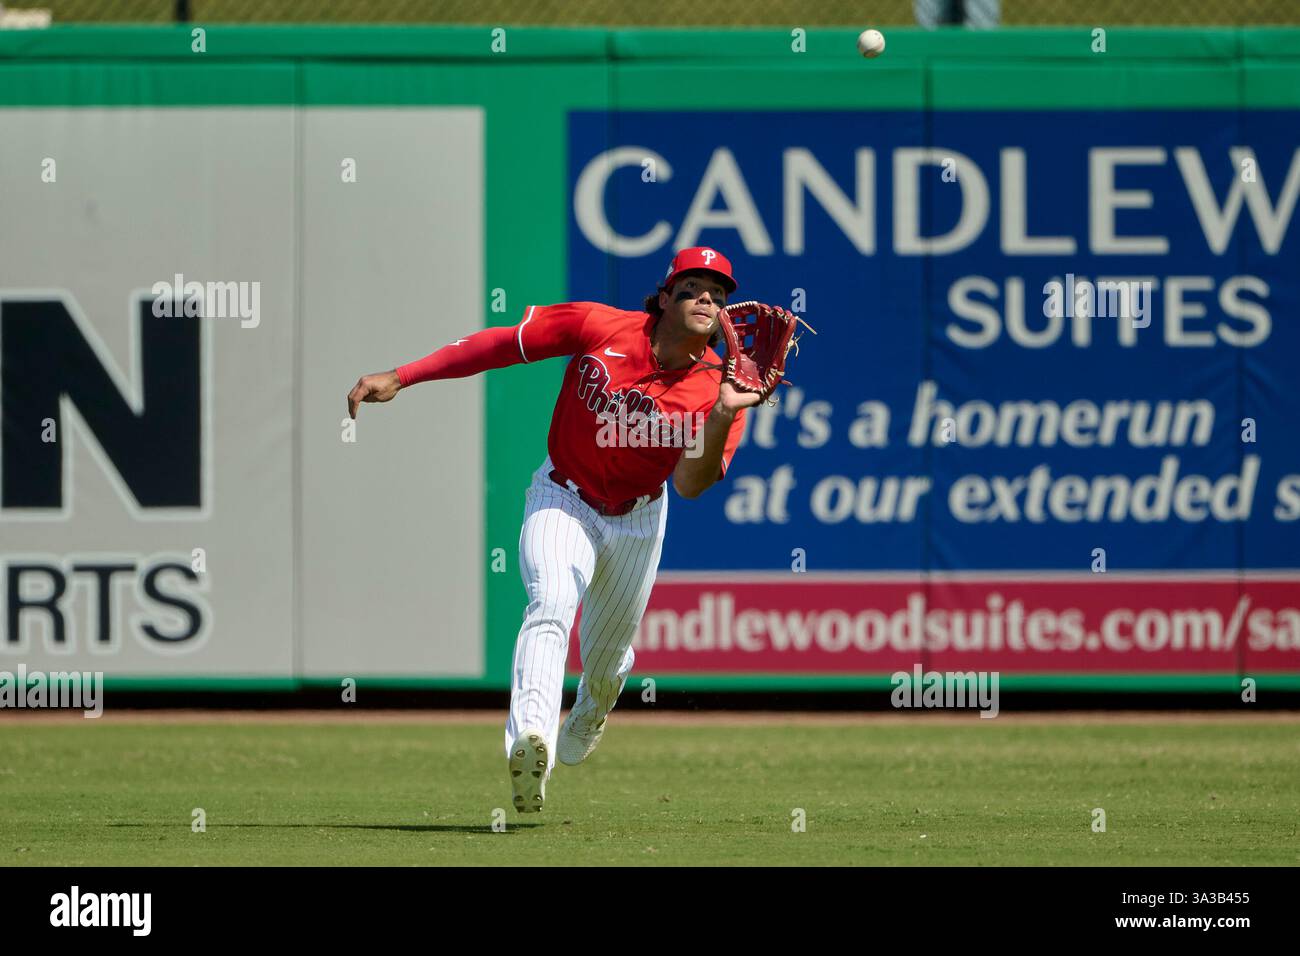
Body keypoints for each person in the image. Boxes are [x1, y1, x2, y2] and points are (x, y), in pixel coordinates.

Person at [346, 246, 760, 813]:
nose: (705, 299)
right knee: (550, 603)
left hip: (639, 516)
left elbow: (691, 484)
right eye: (691, 288)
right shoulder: (600, 326)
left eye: (717, 293)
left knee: (608, 657)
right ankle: (529, 740)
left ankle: (592, 709)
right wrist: (404, 375)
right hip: (562, 496)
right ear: (664, 298)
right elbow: (501, 345)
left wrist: (721, 415)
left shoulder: (721, 387)